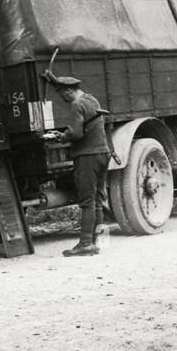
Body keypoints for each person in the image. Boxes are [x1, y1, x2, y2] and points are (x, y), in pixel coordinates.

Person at [44, 74, 112, 256]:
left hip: (87, 156)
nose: (62, 99)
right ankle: (96, 242)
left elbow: (76, 133)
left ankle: (85, 243)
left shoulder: (77, 104)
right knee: (97, 199)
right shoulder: (91, 99)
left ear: (68, 91)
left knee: (87, 201)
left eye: (62, 94)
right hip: (103, 153)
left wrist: (60, 136)